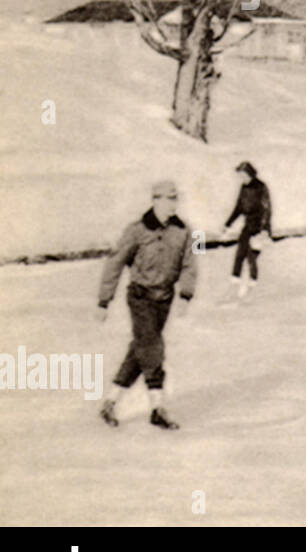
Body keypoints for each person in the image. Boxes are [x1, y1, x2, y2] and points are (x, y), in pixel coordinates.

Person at [96, 180, 196, 430]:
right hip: (140, 297)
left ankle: (109, 402)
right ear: (155, 200)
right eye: (168, 198)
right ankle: (157, 408)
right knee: (152, 348)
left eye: (176, 198)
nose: (174, 203)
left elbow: (190, 263)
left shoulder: (184, 230)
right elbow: (115, 263)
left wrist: (186, 295)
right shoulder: (136, 230)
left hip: (164, 299)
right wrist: (104, 300)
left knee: (140, 350)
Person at [220, 160, 273, 303]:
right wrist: (228, 223)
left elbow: (267, 210)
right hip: (247, 227)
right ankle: (233, 287)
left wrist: (265, 231)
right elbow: (239, 207)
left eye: (243, 175)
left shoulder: (261, 187)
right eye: (240, 175)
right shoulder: (244, 188)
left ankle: (251, 289)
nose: (241, 178)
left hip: (258, 228)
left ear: (249, 173)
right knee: (239, 255)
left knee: (251, 258)